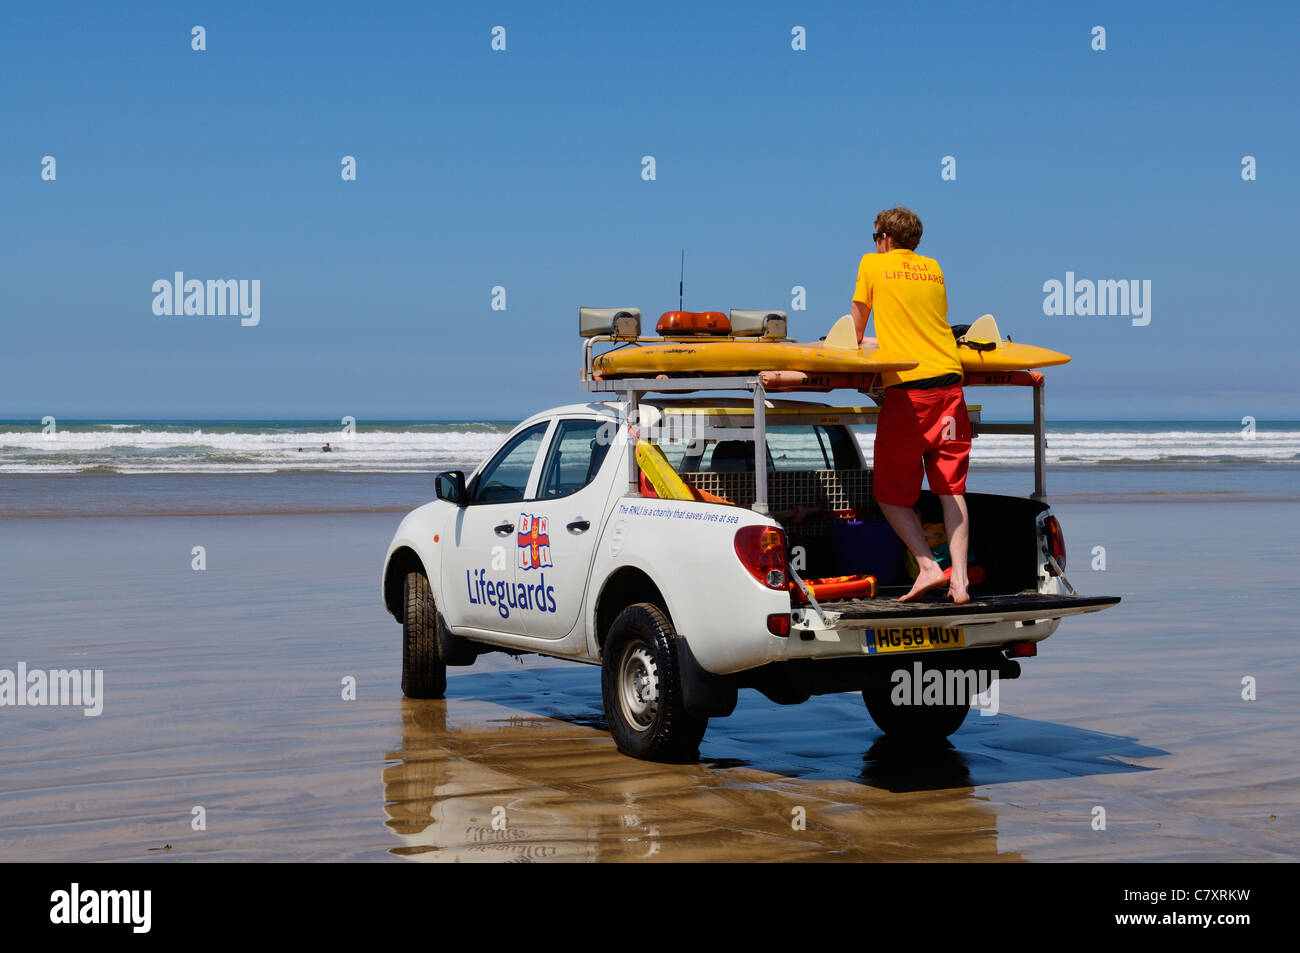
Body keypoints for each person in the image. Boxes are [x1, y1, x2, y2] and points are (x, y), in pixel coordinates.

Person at [851, 207, 972, 604]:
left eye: (875, 237)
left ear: (885, 237)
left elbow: (857, 323)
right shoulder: (933, 268)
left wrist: (852, 350)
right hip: (951, 386)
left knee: (888, 494)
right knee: (951, 490)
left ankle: (928, 566)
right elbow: (930, 322)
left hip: (910, 389)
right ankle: (961, 581)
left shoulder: (874, 263)